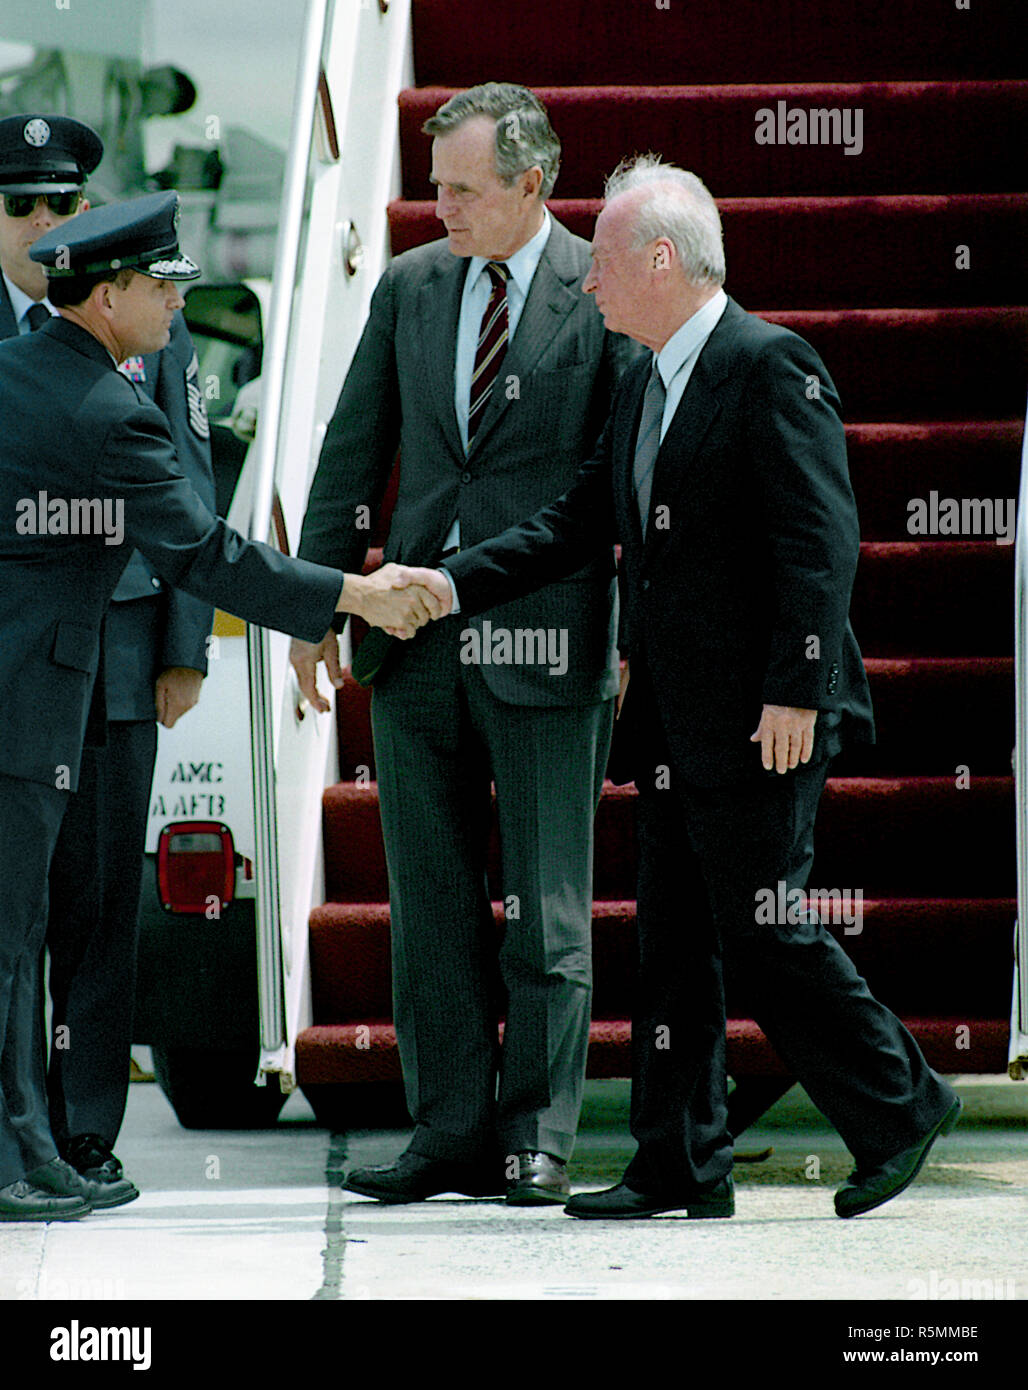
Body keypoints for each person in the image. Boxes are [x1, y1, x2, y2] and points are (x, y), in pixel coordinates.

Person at [428, 155, 961, 1220]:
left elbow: (822, 541)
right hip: (671, 720)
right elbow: (572, 526)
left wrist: (797, 690)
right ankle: (678, 1160)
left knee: (765, 927)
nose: (591, 286)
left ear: (661, 259)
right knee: (669, 947)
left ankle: (900, 1102)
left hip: (762, 717)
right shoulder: (641, 384)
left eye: (608, 266)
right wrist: (445, 582)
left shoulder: (768, 365)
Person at [0, 190, 441, 1221]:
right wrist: (353, 592)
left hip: (27, 689)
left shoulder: (22, 373)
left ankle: (28, 1142)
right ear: (108, 297)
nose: (173, 306)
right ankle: (21, 1154)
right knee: (16, 939)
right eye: (162, 286)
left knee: (17, 935)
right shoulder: (109, 412)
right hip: (27, 706)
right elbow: (208, 553)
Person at [291, 83, 640, 1205]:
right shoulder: (407, 288)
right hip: (411, 644)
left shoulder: (604, 289)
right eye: (433, 184)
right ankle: (447, 1128)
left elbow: (625, 484)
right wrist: (319, 603)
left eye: (459, 190)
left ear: (531, 183)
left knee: (545, 903)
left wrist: (625, 628)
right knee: (430, 902)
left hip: (548, 636)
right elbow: (354, 451)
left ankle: (535, 1133)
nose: (433, 207)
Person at [0, 111, 216, 1208]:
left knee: (93, 902)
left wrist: (186, 643)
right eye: (21, 204)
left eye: (60, 203)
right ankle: (18, 1129)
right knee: (13, 904)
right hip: (18, 657)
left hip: (128, 638)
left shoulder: (147, 315)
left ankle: (82, 1131)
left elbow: (188, 471)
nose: (43, 218)